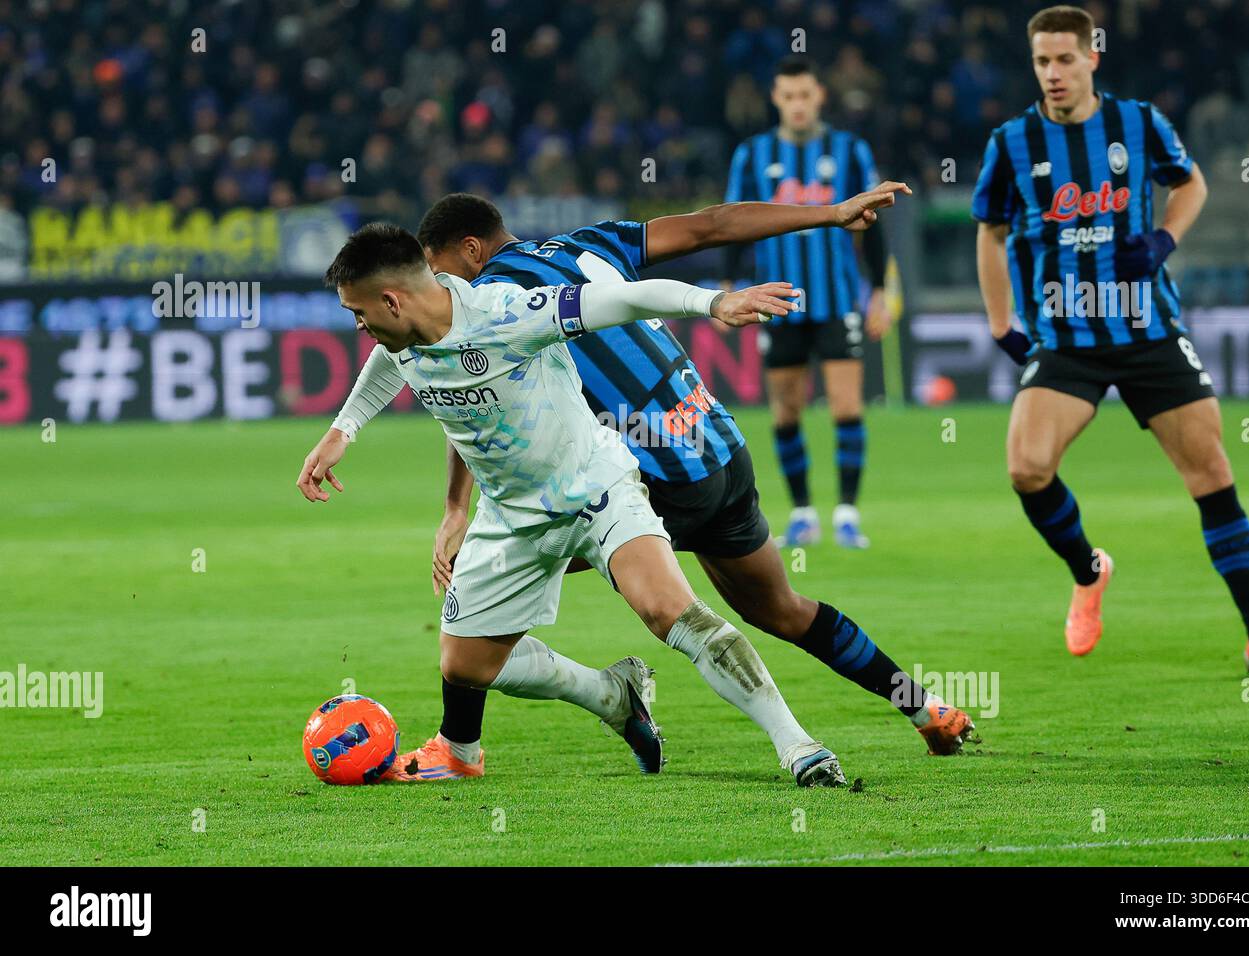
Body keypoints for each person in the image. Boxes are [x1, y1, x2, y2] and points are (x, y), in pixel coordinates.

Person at [416, 191, 974, 758]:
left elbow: (475, 398)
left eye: (438, 275)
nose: (436, 294)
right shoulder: (593, 242)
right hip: (719, 448)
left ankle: (468, 741)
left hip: (655, 477)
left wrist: (457, 512)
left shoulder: (489, 301)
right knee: (780, 607)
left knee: (484, 600)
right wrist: (830, 215)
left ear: (471, 251)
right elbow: (715, 224)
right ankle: (925, 706)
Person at [300, 221, 850, 787]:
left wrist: (713, 300)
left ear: (392, 299)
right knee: (464, 667)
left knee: (669, 611)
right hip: (511, 516)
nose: (359, 326)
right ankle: (610, 697)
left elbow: (627, 297)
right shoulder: (404, 334)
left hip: (595, 489)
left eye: (358, 312)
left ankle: (798, 745)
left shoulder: (507, 313)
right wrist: (343, 430)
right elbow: (386, 367)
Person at [972, 5, 1249, 678]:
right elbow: (992, 232)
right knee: (1026, 468)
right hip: (1065, 338)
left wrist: (1165, 238)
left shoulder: (1139, 123)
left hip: (1147, 328)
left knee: (1211, 475)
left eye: (1065, 59)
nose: (1053, 73)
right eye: (1041, 61)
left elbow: (1193, 182)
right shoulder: (1011, 142)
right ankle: (1089, 570)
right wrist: (1001, 324)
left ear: (1094, 56)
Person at [724, 54, 892, 549]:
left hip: (838, 299)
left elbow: (875, 225)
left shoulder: (850, 151)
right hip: (779, 300)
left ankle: (845, 513)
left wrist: (879, 290)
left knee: (846, 405)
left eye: (805, 95)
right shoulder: (752, 156)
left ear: (819, 96)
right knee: (787, 410)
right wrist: (727, 287)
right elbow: (733, 223)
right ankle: (801, 513)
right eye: (788, 96)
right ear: (777, 99)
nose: (798, 105)